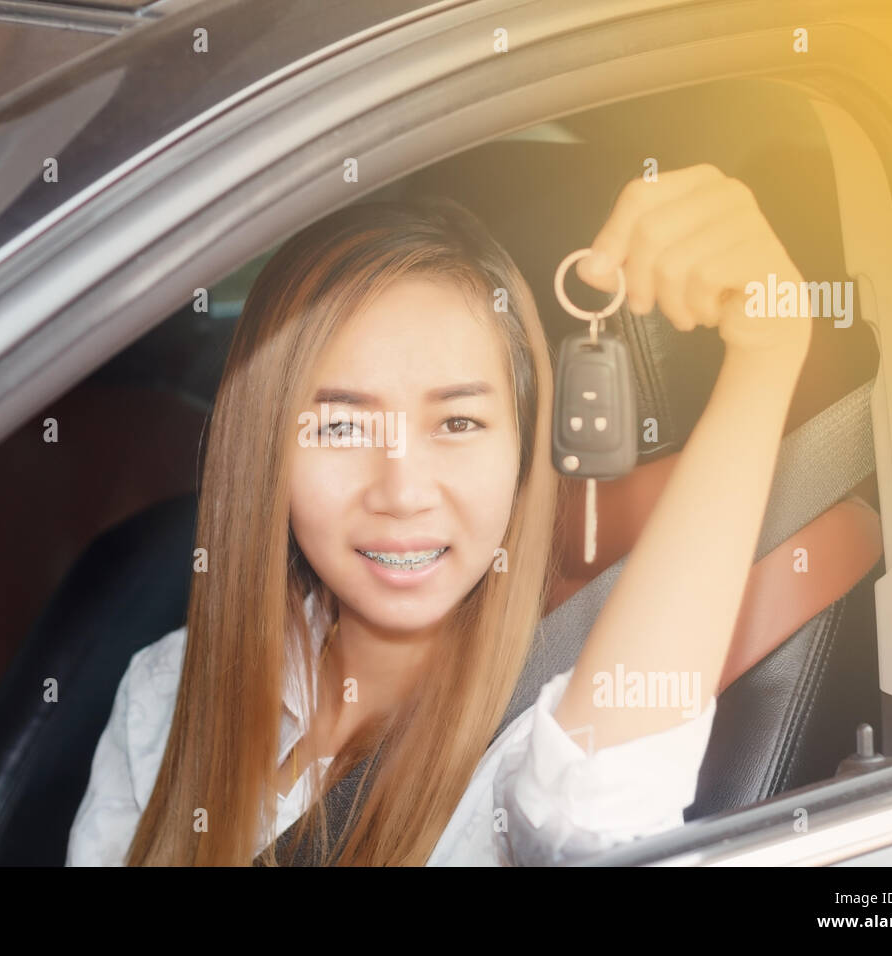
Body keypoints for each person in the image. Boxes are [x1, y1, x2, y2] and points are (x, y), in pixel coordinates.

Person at [66, 163, 813, 866]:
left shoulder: (530, 749)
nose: (402, 491)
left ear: (524, 451)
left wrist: (767, 351)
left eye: (457, 424)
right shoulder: (165, 690)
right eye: (342, 426)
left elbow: (596, 821)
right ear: (265, 451)